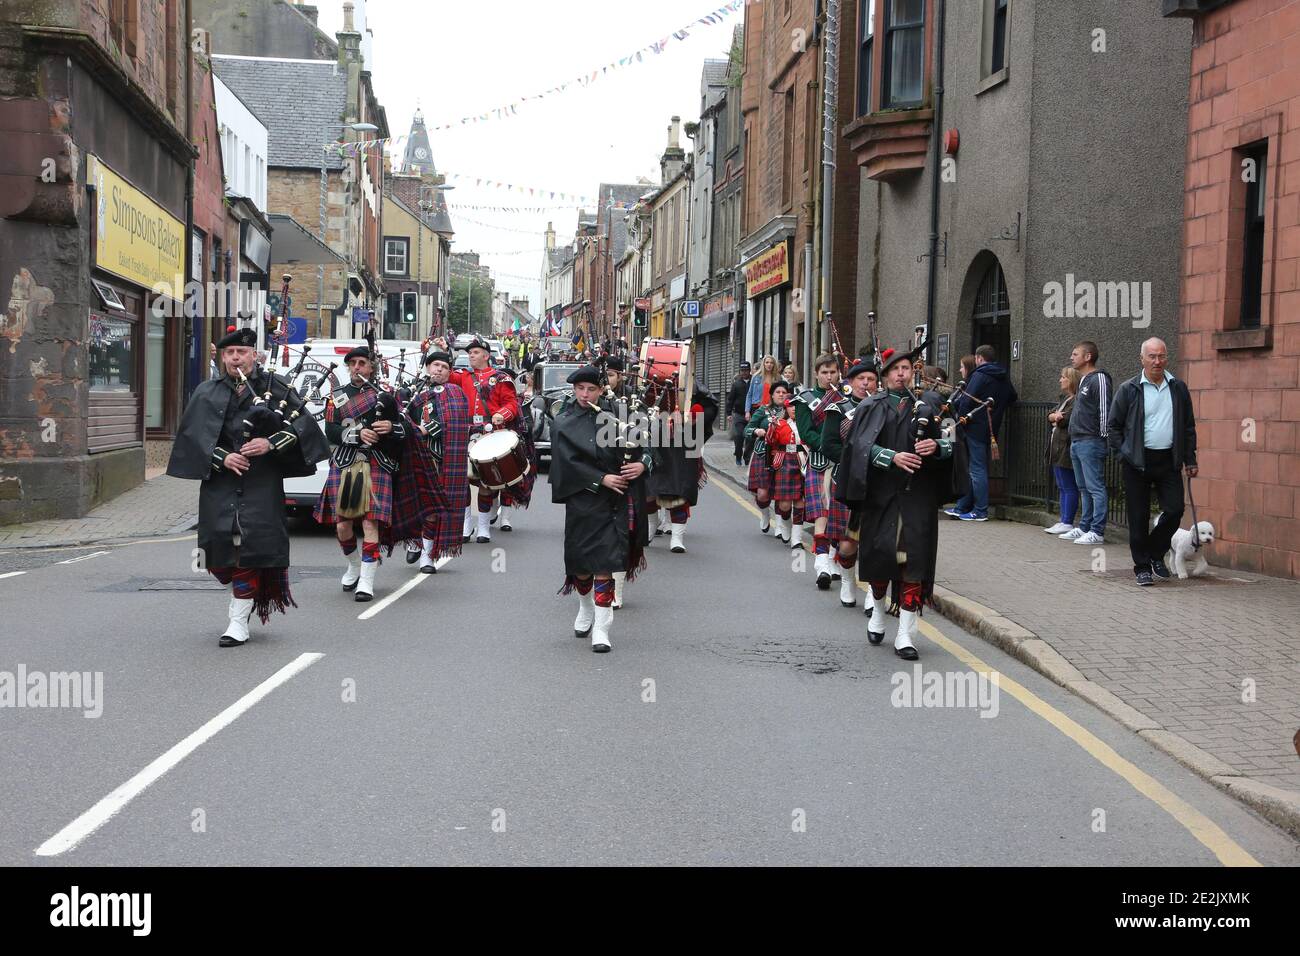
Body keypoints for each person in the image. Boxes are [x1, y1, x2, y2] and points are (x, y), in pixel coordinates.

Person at [167, 327, 330, 646]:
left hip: (261, 480)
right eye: (229, 353)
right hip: (221, 481)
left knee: (252, 548)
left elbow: (304, 427)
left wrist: (270, 444)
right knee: (214, 552)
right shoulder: (206, 392)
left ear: (255, 355)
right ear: (222, 357)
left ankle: (237, 621)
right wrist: (221, 458)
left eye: (242, 352)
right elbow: (192, 437)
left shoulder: (276, 388)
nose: (236, 358)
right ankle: (244, 591)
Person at [838, 346, 957, 660]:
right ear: (885, 374)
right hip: (881, 496)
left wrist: (939, 446)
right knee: (880, 561)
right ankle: (878, 610)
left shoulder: (927, 406)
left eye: (906, 368)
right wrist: (891, 457)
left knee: (912, 563)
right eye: (895, 369)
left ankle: (906, 633)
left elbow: (951, 442)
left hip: (917, 496)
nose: (901, 373)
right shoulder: (870, 406)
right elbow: (858, 446)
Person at [314, 345, 442, 602]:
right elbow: (330, 430)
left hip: (377, 462)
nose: (357, 367)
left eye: (362, 363)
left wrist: (391, 427)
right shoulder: (336, 396)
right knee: (342, 526)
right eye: (353, 363)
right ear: (348, 367)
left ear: (371, 368)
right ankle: (354, 565)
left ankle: (367, 582)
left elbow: (405, 427)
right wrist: (356, 434)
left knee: (370, 522)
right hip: (346, 461)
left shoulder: (385, 395)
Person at [550, 365, 653, 652]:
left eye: (591, 389)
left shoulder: (619, 415)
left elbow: (647, 444)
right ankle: (585, 608)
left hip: (615, 502)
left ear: (600, 389)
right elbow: (566, 463)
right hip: (583, 500)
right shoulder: (564, 421)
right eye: (580, 389)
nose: (585, 394)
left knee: (605, 565)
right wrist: (600, 478)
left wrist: (642, 463)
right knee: (582, 569)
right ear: (573, 390)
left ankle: (602, 628)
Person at [1107, 338, 1198, 587]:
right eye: (1152, 357)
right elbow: (1113, 427)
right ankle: (1142, 567)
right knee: (1138, 516)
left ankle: (1155, 552)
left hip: (1168, 460)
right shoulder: (1129, 389)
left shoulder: (1178, 388)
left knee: (1175, 510)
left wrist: (1190, 458)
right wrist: (1125, 453)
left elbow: (1188, 427)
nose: (1157, 361)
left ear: (1166, 358)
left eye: (1161, 356)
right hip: (1137, 462)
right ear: (1142, 359)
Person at [445, 336, 530, 540]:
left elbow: (512, 405)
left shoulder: (500, 378)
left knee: (485, 482)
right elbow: (444, 374)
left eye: (474, 353)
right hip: (466, 432)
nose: (471, 356)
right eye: (469, 353)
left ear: (485, 355)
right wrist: (438, 350)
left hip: (490, 433)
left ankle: (483, 527)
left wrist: (503, 414)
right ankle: (466, 525)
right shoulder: (463, 376)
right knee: (462, 481)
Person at [404, 348, 471, 573]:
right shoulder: (415, 392)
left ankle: (427, 555)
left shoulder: (455, 393)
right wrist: (414, 429)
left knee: (432, 509)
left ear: (449, 372)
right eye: (435, 366)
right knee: (416, 506)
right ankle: (415, 540)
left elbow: (457, 422)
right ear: (427, 368)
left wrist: (428, 429)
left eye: (444, 367)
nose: (439, 370)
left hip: (442, 460)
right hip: (415, 458)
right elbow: (401, 419)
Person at [645, 377, 719, 555]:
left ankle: (677, 538)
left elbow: (710, 410)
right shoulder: (651, 383)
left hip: (683, 447)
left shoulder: (694, 384)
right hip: (656, 443)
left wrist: (694, 418)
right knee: (649, 491)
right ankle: (650, 527)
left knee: (680, 491)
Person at [947, 344, 1018, 522]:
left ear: (979, 358)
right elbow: (1012, 396)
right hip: (991, 426)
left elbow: (966, 400)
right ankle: (963, 506)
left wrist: (961, 421)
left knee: (976, 469)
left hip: (974, 426)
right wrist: (997, 410)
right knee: (974, 468)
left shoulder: (980, 374)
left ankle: (980, 510)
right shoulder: (1003, 375)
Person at [826, 359, 876, 607]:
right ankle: (848, 581)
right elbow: (829, 445)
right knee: (846, 545)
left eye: (870, 379)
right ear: (851, 382)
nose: (865, 383)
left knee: (873, 540)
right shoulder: (839, 408)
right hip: (846, 480)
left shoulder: (883, 408)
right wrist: (852, 463)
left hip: (876, 483)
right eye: (860, 379)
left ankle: (871, 591)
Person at [794, 354, 847, 586]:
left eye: (833, 372)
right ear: (816, 373)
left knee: (839, 515)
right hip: (819, 462)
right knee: (822, 515)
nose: (829, 377)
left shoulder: (846, 397)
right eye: (824, 372)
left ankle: (834, 560)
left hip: (843, 464)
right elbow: (806, 434)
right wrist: (830, 446)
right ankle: (822, 564)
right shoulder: (805, 399)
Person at [1062, 340, 1112, 545]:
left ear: (1087, 356)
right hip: (1078, 440)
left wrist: (1102, 437)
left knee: (1095, 487)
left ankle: (1097, 531)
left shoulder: (1098, 379)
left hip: (1091, 441)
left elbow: (1104, 409)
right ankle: (1084, 527)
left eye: (1075, 354)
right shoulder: (1083, 380)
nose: (1072, 357)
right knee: (1083, 487)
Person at [745, 382, 805, 547]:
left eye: (784, 392)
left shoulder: (795, 411)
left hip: (785, 457)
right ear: (771, 394)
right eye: (777, 391)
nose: (781, 394)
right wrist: (756, 431)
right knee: (763, 494)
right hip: (764, 454)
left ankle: (781, 525)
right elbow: (747, 429)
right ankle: (765, 514)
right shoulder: (763, 410)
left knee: (783, 495)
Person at [1043, 366, 1081, 536]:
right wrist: (1054, 416)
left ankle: (1067, 521)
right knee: (1062, 485)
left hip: (1065, 446)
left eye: (1063, 377)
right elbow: (1051, 415)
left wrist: (1057, 418)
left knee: (1068, 485)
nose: (1060, 380)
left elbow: (1064, 419)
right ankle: (1063, 519)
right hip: (1057, 447)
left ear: (1071, 380)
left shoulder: (1076, 400)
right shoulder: (1066, 399)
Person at [744, 355, 780, 464]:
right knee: (753, 435)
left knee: (768, 434)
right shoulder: (756, 377)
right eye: (767, 362)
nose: (769, 365)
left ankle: (766, 457)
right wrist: (747, 411)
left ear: (774, 365)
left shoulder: (778, 378)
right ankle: (748, 457)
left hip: (772, 409)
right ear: (763, 364)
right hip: (757, 408)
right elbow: (749, 394)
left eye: (771, 363)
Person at [725, 361, 753, 467]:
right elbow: (730, 399)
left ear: (750, 370)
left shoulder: (754, 382)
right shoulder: (736, 384)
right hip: (739, 414)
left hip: (752, 414)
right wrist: (728, 413)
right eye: (742, 370)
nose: (744, 372)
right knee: (738, 436)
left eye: (746, 370)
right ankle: (738, 455)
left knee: (750, 438)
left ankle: (747, 457)